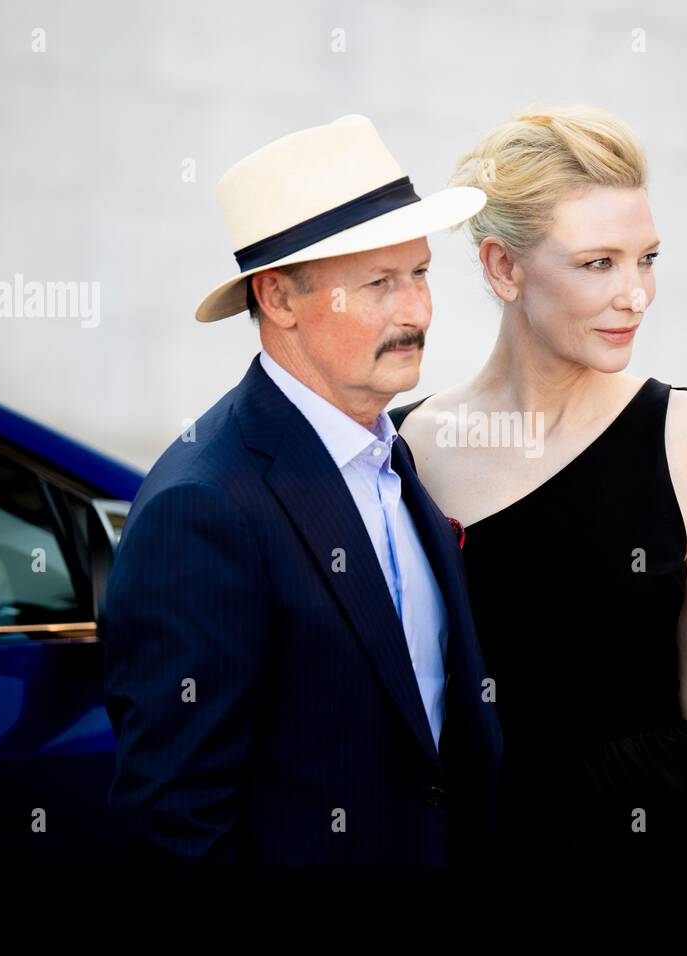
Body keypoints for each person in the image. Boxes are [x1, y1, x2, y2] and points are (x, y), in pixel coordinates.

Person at [390, 106, 687, 866]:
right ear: (503, 268)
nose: (636, 295)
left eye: (648, 259)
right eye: (599, 263)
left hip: (668, 839)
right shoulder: (412, 450)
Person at [101, 114, 502, 865]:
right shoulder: (204, 510)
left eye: (419, 273)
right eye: (379, 284)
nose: (417, 310)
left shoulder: (390, 449)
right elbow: (174, 824)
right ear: (279, 300)